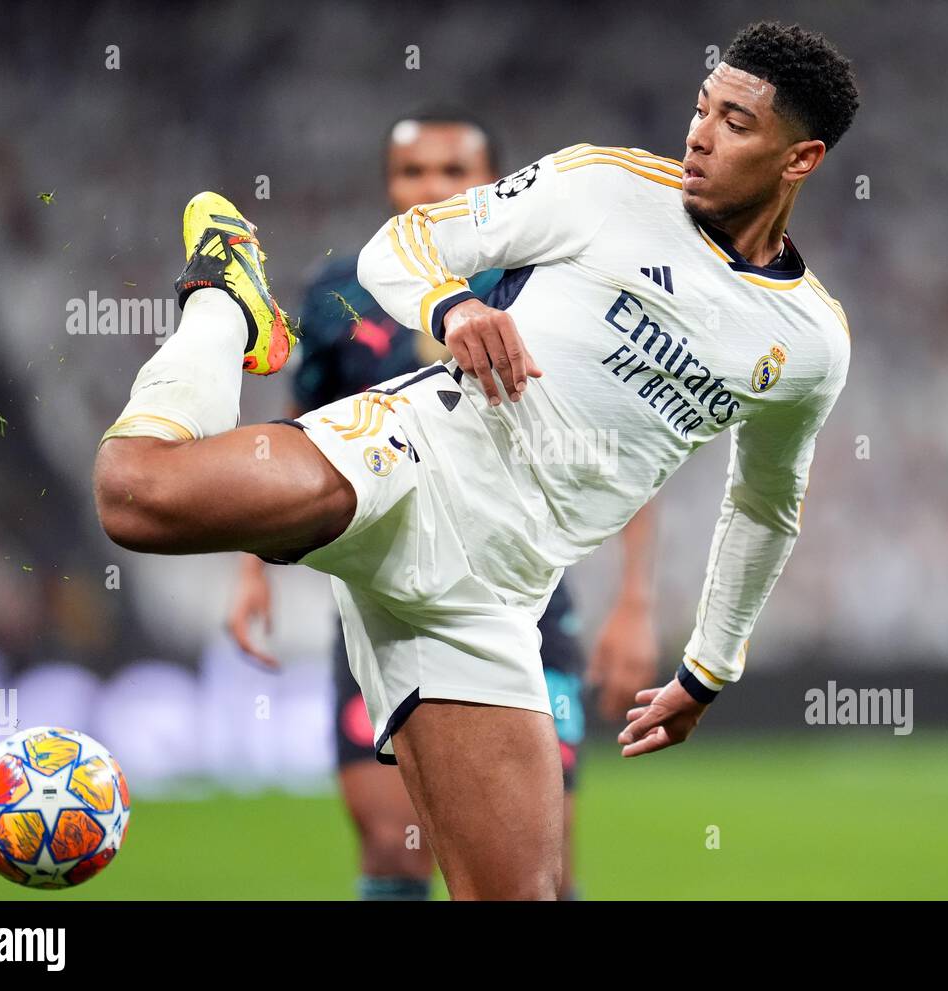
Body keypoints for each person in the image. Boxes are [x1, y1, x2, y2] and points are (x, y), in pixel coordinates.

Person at [94, 21, 857, 900]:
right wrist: (453, 307)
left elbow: (764, 506)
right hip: (410, 459)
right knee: (133, 495)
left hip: (493, 599)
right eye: (701, 107)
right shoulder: (603, 185)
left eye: (735, 122)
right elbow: (398, 246)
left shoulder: (808, 346)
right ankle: (227, 300)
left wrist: (708, 668)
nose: (697, 132)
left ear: (799, 159)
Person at [225, 110, 656, 900]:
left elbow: (618, 443)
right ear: (389, 183)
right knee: (392, 847)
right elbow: (292, 438)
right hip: (383, 589)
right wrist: (253, 569)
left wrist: (634, 598)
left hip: (523, 597)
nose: (430, 188)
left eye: (452, 173)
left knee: (538, 875)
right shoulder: (340, 294)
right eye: (413, 172)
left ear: (494, 185)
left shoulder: (551, 284)